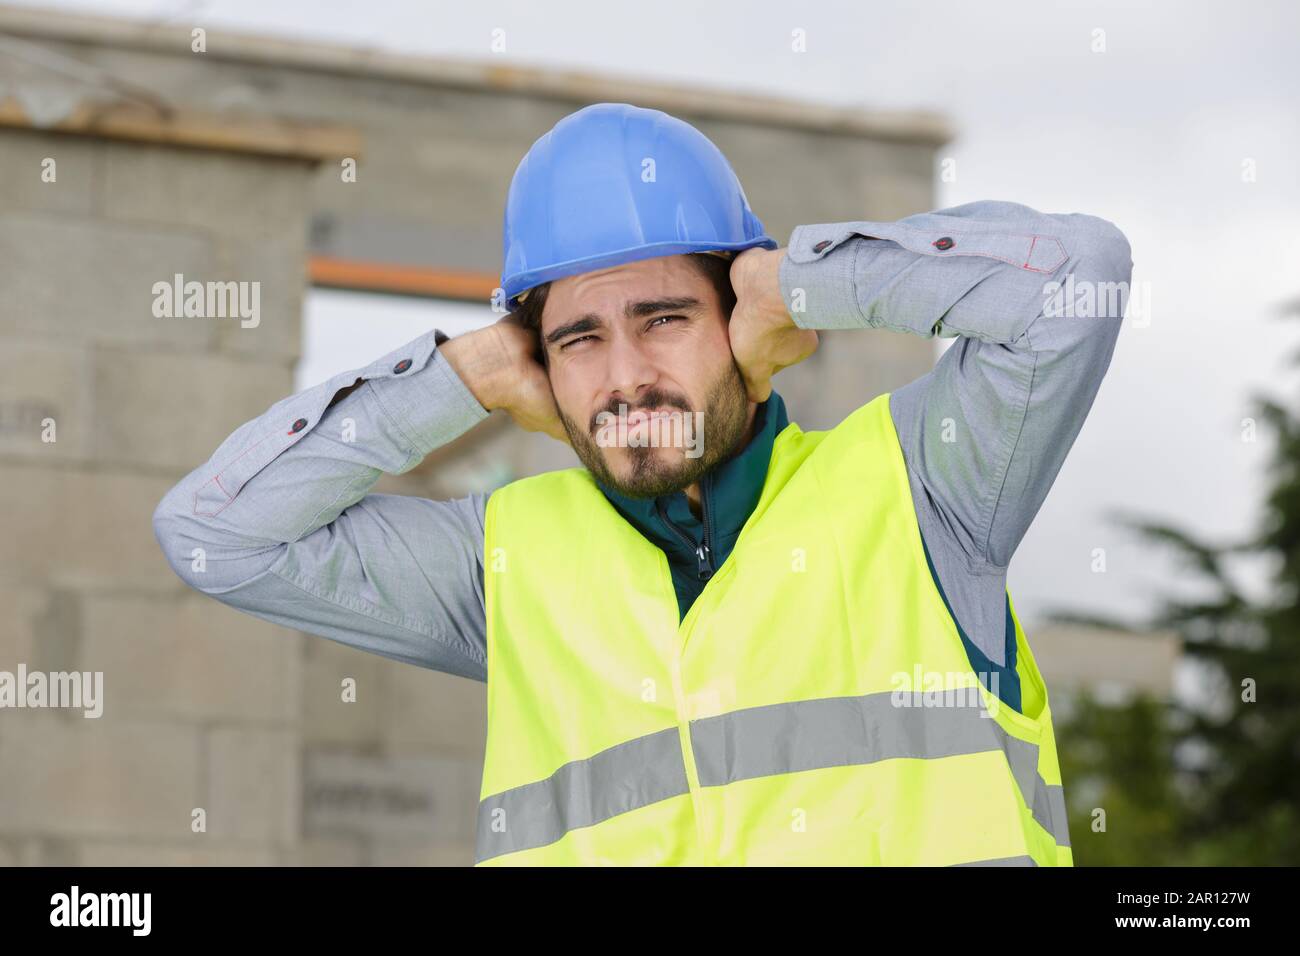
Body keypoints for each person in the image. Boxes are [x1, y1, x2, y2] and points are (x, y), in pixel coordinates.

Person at [153, 102, 1132, 866]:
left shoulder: (922, 486)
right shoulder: (502, 563)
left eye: (662, 317)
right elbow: (215, 532)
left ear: (735, 313)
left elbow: (1072, 279)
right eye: (578, 337)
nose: (622, 375)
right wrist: (459, 376)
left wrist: (799, 280)